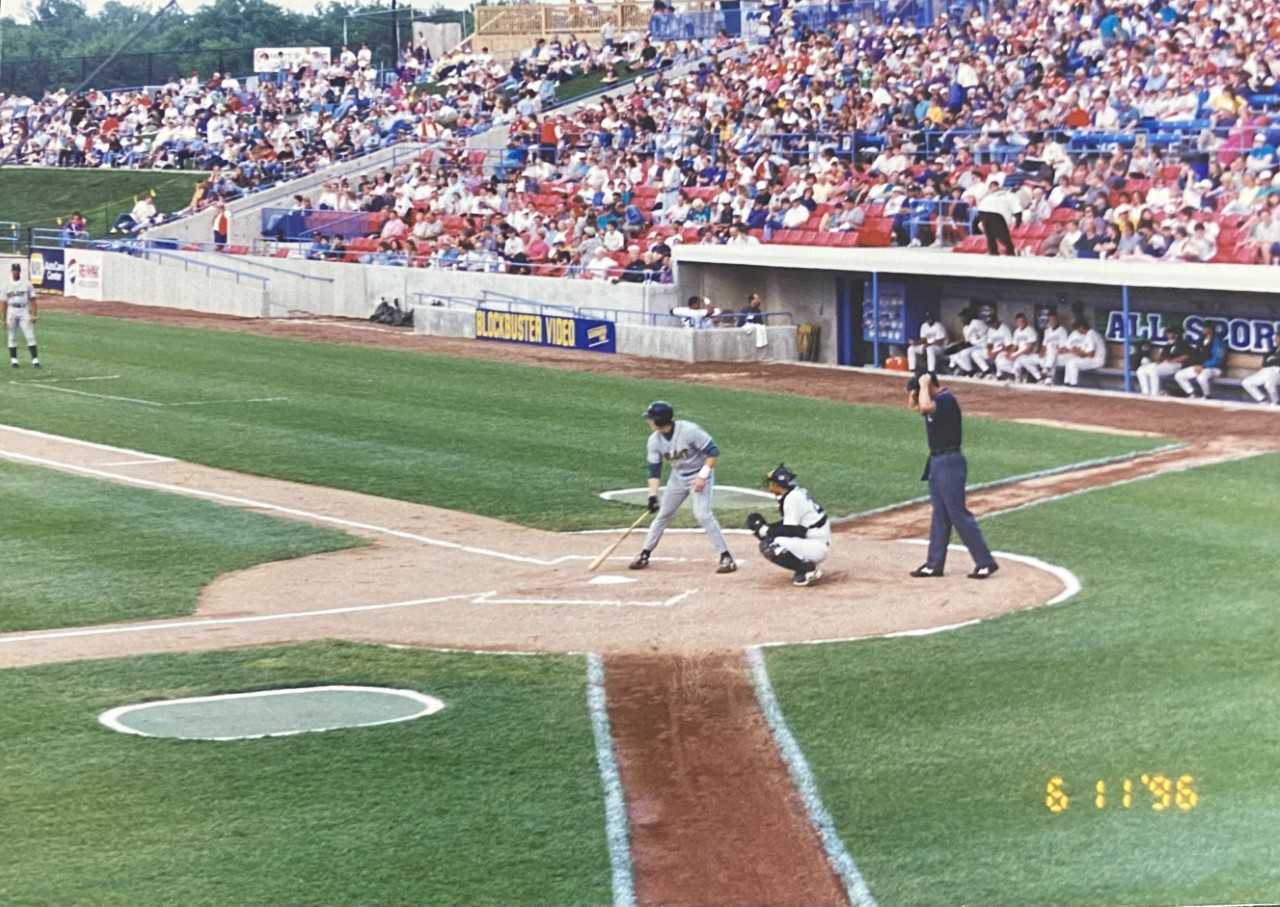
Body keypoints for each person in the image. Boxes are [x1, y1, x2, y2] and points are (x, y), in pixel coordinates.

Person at [906, 374, 997, 579]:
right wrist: (918, 388)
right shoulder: (932, 399)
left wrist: (923, 384)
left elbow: (924, 407)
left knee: (958, 513)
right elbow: (914, 405)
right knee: (940, 514)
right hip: (937, 462)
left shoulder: (946, 400)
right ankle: (934, 564)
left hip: (950, 462)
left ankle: (985, 562)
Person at [629, 400, 736, 574]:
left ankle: (726, 557)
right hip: (678, 478)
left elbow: (713, 452)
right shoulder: (654, 441)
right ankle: (645, 553)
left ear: (660, 420)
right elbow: (654, 470)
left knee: (702, 514)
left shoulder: (689, 431)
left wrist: (702, 476)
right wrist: (652, 496)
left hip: (700, 475)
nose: (648, 421)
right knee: (663, 514)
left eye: (650, 418)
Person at [746, 463, 830, 587]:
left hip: (816, 546)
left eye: (770, 482)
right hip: (817, 540)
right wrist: (769, 529)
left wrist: (766, 530)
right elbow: (791, 525)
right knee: (772, 537)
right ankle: (805, 564)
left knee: (769, 545)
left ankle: (807, 569)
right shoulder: (796, 493)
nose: (769, 485)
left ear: (777, 484)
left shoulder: (792, 499)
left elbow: (794, 530)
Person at [1135, 324, 1192, 397]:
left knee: (1153, 370)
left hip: (1176, 365)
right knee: (1141, 370)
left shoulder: (1181, 342)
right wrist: (1158, 361)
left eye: (1170, 332)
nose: (1168, 334)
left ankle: (1155, 393)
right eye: (1167, 333)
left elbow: (1186, 356)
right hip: (1165, 364)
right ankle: (1145, 392)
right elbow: (1162, 357)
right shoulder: (1168, 344)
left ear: (1175, 333)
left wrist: (1173, 360)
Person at [1175, 321, 1227, 398]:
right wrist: (1195, 365)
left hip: (1214, 368)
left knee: (1201, 378)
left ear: (1210, 329)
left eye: (1205, 328)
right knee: (1179, 375)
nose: (1203, 329)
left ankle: (1207, 396)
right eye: (1203, 327)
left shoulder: (1218, 342)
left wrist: (1203, 366)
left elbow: (1218, 359)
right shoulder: (1201, 340)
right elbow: (1195, 354)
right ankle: (1191, 393)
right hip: (1200, 367)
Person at [5, 263, 40, 369]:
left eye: (17, 270)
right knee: (12, 336)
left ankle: (35, 361)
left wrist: (34, 314)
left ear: (20, 271)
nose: (15, 272)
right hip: (11, 310)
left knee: (30, 335)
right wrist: (2, 319)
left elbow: (33, 300)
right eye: (14, 270)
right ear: (11, 271)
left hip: (24, 310)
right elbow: (3, 302)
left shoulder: (27, 284)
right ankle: (14, 361)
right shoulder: (6, 285)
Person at [1058, 318, 1107, 386]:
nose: (1077, 331)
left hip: (1097, 360)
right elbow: (1084, 351)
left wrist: (1078, 352)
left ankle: (1074, 385)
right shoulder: (1087, 334)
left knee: (1073, 363)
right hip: (1090, 359)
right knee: (1069, 362)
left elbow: (1091, 354)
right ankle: (1067, 383)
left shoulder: (1091, 334)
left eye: (1077, 329)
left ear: (1081, 327)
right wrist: (1077, 351)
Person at [996, 312, 1041, 382]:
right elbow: (1014, 346)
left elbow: (1029, 347)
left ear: (1026, 321)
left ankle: (1039, 378)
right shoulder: (1016, 332)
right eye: (1019, 321)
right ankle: (1017, 376)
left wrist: (1015, 354)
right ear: (1016, 322)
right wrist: (1009, 353)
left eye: (1023, 321)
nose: (1021, 323)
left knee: (1021, 359)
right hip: (1019, 354)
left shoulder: (1030, 330)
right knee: (1001, 360)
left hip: (1030, 354)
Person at [948, 308, 989, 376]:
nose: (961, 319)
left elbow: (987, 331)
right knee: (954, 352)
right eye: (961, 317)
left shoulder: (976, 322)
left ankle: (969, 370)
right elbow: (967, 341)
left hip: (982, 346)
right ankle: (967, 370)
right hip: (973, 346)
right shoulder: (965, 328)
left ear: (968, 316)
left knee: (964, 352)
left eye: (963, 317)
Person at [1039, 312, 1069, 384]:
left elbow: (1063, 346)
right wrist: (1041, 353)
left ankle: (1047, 371)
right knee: (1043, 358)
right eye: (1050, 320)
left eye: (1053, 320)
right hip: (1049, 353)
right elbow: (1044, 345)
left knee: (1052, 349)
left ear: (1057, 320)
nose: (1052, 322)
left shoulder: (1062, 330)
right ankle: (1048, 378)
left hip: (1060, 353)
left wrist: (1057, 349)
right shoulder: (1047, 331)